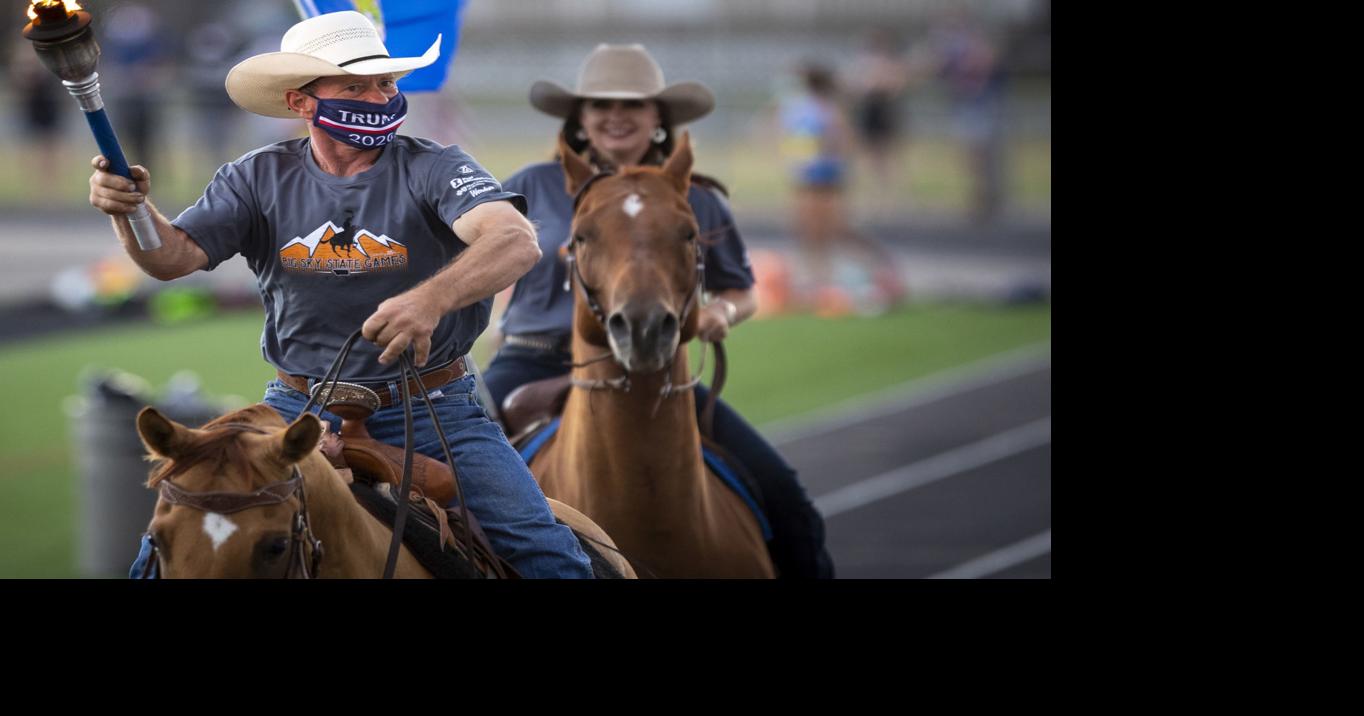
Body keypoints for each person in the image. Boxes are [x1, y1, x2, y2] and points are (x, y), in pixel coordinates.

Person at [91, 11, 594, 578]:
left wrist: (427, 301)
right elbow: (171, 257)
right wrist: (130, 210)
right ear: (302, 101)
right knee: (158, 553)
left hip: (434, 407)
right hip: (296, 405)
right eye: (355, 85)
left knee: (548, 556)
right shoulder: (255, 176)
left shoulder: (437, 166)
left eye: (386, 84)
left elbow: (514, 240)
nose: (378, 97)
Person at [480, 44, 834, 579]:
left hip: (657, 367)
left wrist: (721, 315)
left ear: (658, 118)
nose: (616, 116)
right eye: (601, 105)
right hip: (531, 361)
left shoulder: (696, 195)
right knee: (452, 487)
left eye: (633, 105)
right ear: (580, 118)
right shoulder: (531, 184)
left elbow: (742, 290)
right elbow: (484, 261)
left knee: (786, 496)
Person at [778, 61, 905, 315]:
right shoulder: (799, 109)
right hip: (807, 179)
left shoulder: (826, 111)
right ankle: (817, 284)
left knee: (836, 230)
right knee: (809, 233)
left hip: (826, 179)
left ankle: (880, 266)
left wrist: (830, 157)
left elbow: (842, 142)